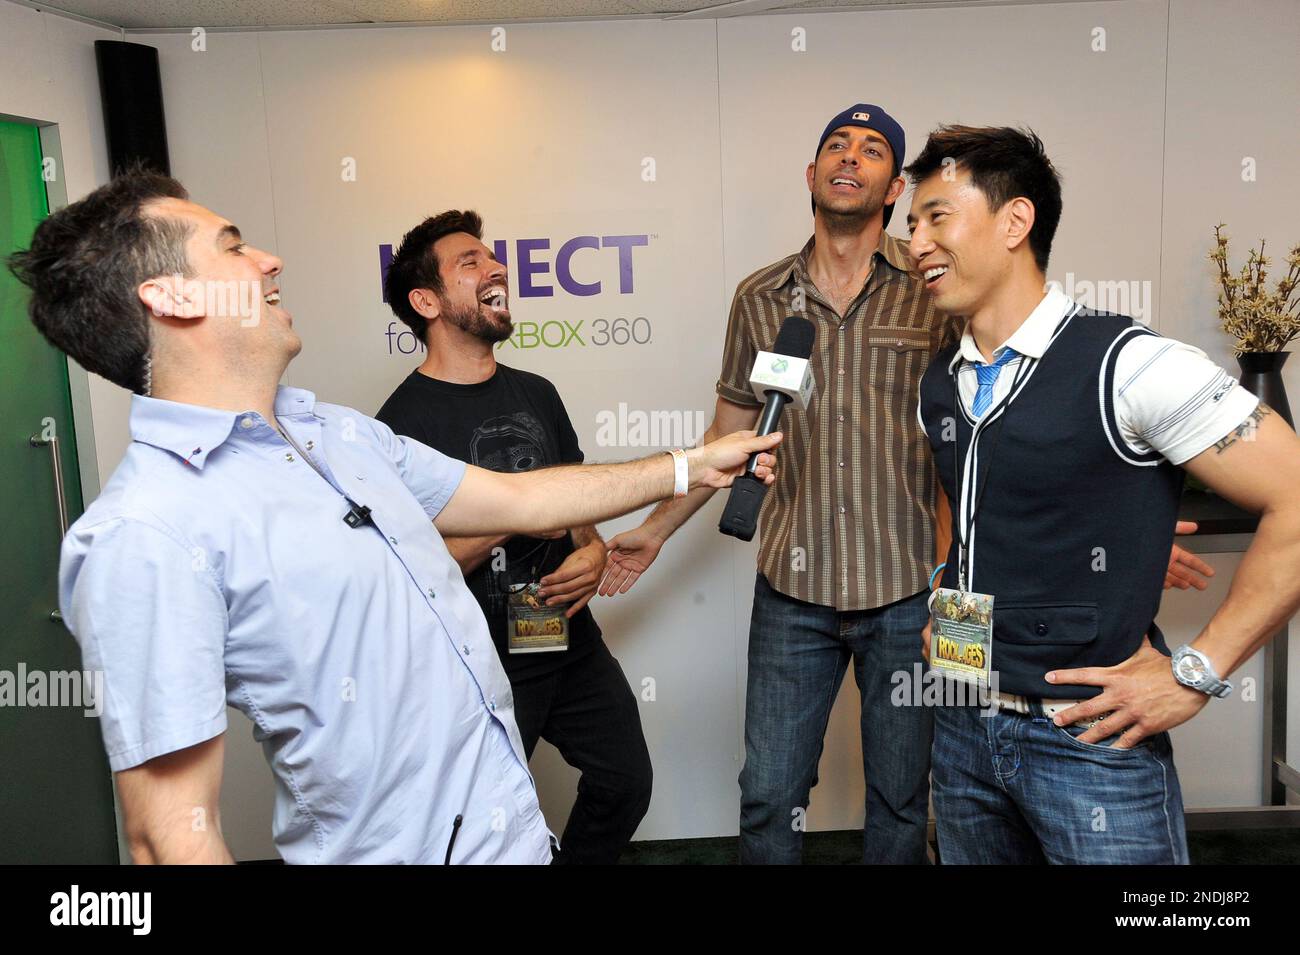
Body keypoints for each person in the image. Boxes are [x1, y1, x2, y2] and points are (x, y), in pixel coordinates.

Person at [9, 170, 779, 864]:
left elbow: (523, 496)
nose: (270, 260)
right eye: (234, 247)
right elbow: (169, 836)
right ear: (171, 296)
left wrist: (692, 464)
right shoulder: (144, 534)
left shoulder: (339, 434)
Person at [907, 125, 1300, 864]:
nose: (917, 242)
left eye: (936, 216)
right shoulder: (941, 380)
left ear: (1015, 221)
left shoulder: (1132, 363)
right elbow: (961, 513)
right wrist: (952, 633)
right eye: (912, 224)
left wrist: (1196, 674)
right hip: (963, 734)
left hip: (1089, 741)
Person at [599, 104, 954, 864]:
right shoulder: (760, 298)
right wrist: (655, 529)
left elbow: (975, 437)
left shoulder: (932, 289)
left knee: (902, 797)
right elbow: (725, 441)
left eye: (871, 150)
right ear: (811, 174)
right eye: (835, 145)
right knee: (769, 792)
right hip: (794, 591)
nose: (849, 158)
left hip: (908, 592)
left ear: (894, 187)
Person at [376, 210, 652, 864]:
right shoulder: (397, 426)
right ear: (427, 301)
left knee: (625, 782)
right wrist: (520, 511)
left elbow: (576, 502)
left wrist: (590, 547)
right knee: (481, 823)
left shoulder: (537, 392)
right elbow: (412, 567)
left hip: (565, 636)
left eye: (493, 257)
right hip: (479, 662)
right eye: (470, 262)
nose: (496, 268)